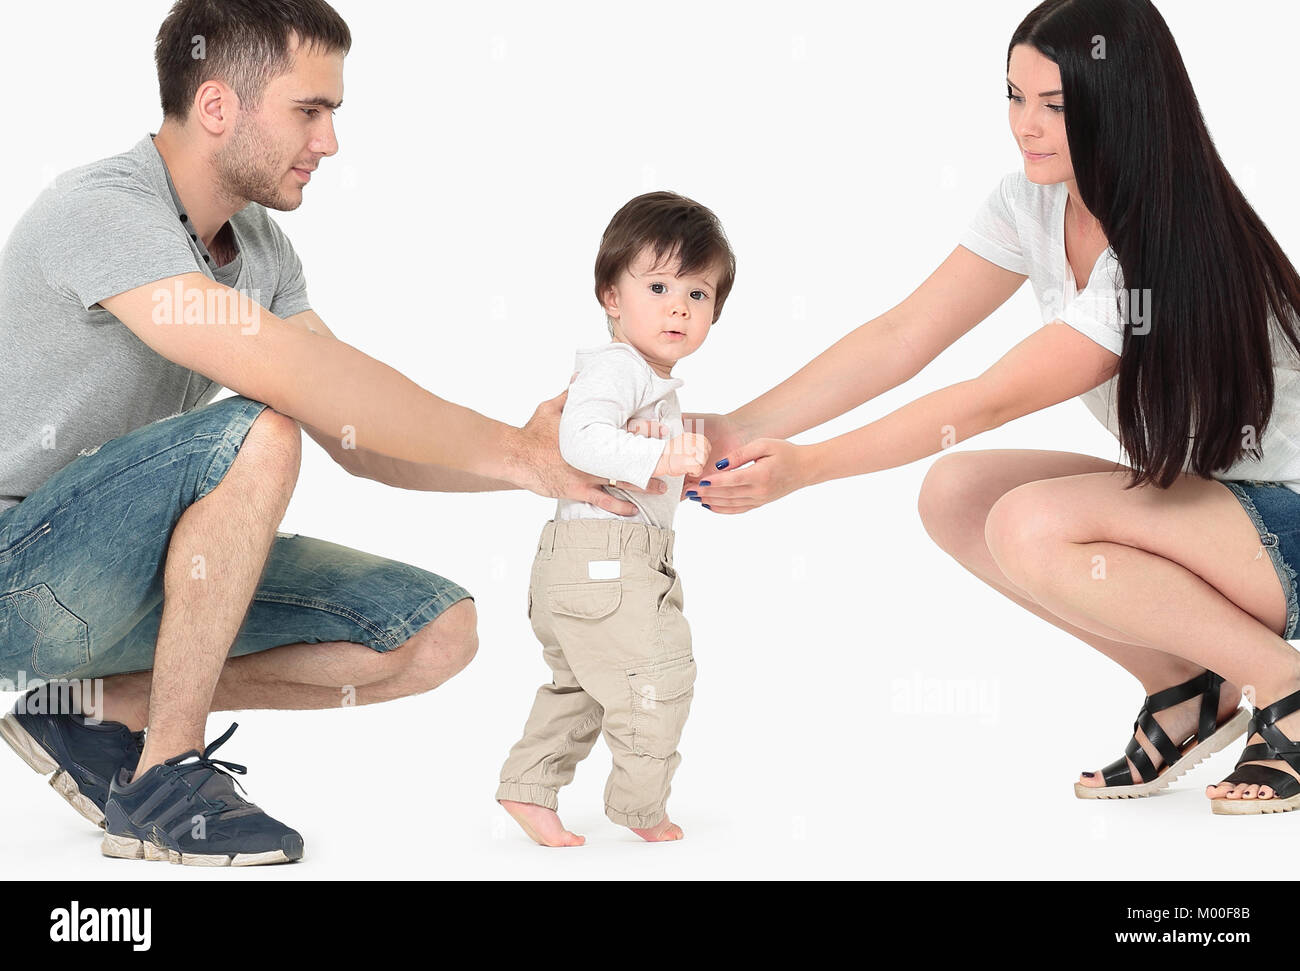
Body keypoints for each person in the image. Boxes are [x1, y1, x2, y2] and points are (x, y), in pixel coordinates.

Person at [0, 0, 664, 866]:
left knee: (436, 633)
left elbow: (354, 431)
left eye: (332, 114)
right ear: (216, 107)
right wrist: (513, 445)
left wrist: (540, 467)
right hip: (19, 578)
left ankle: (94, 708)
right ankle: (167, 775)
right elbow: (303, 386)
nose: (329, 141)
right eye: (308, 111)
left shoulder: (261, 250)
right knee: (259, 431)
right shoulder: (102, 209)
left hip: (113, 588)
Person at [683, 0, 1300, 814]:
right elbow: (901, 336)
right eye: (1014, 96)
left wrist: (806, 470)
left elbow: (984, 400)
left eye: (1055, 106)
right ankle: (1187, 685)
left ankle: (1285, 682)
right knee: (957, 495)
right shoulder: (1032, 203)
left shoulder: (1154, 256)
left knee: (1029, 523)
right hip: (1218, 515)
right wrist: (745, 428)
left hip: (1282, 522)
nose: (1025, 125)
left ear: (1125, 107)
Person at [496, 191, 733, 846]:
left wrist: (684, 481)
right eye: (657, 285)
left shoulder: (644, 377)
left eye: (699, 293)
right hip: (606, 563)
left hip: (586, 565)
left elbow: (625, 462)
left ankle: (528, 786)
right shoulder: (616, 367)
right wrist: (662, 452)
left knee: (581, 685)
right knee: (660, 673)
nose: (679, 306)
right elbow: (581, 440)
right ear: (610, 295)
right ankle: (639, 804)